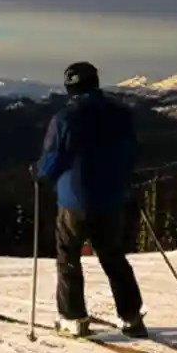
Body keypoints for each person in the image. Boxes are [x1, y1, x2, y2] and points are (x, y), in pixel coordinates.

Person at [36, 61, 147, 338]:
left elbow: (53, 159)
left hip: (74, 199)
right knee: (113, 257)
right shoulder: (121, 114)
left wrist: (38, 174)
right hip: (111, 199)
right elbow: (132, 152)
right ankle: (131, 317)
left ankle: (73, 317)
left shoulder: (65, 117)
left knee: (68, 255)